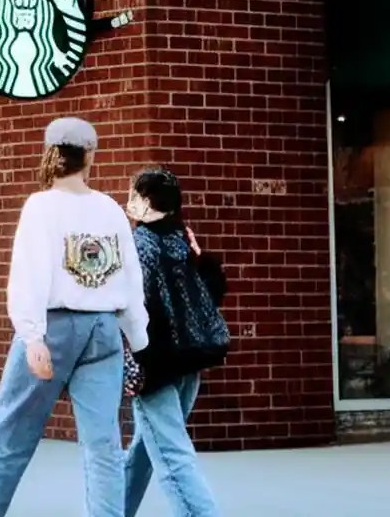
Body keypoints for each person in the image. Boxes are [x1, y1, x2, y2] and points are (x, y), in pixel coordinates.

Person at [0, 117, 149, 517]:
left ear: (51, 153)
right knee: (103, 446)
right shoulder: (110, 209)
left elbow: (29, 274)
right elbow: (130, 279)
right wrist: (139, 339)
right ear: (90, 156)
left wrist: (31, 335)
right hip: (104, 329)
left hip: (53, 327)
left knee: (11, 437)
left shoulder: (40, 206)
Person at [123, 167, 228, 517]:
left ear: (148, 201)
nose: (129, 201)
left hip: (155, 363)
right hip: (189, 359)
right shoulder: (181, 238)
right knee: (146, 448)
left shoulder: (140, 243)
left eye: (135, 195)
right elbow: (210, 296)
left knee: (172, 456)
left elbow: (131, 304)